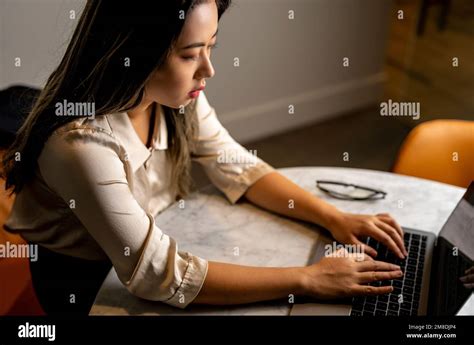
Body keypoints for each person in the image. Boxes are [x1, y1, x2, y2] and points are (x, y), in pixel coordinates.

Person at [1, 0, 407, 315]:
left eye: (211, 47)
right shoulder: (79, 145)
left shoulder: (175, 98)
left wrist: (333, 216)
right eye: (190, 54)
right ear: (137, 51)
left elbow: (234, 163)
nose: (208, 70)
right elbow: (158, 274)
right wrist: (309, 279)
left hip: (153, 238)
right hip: (86, 282)